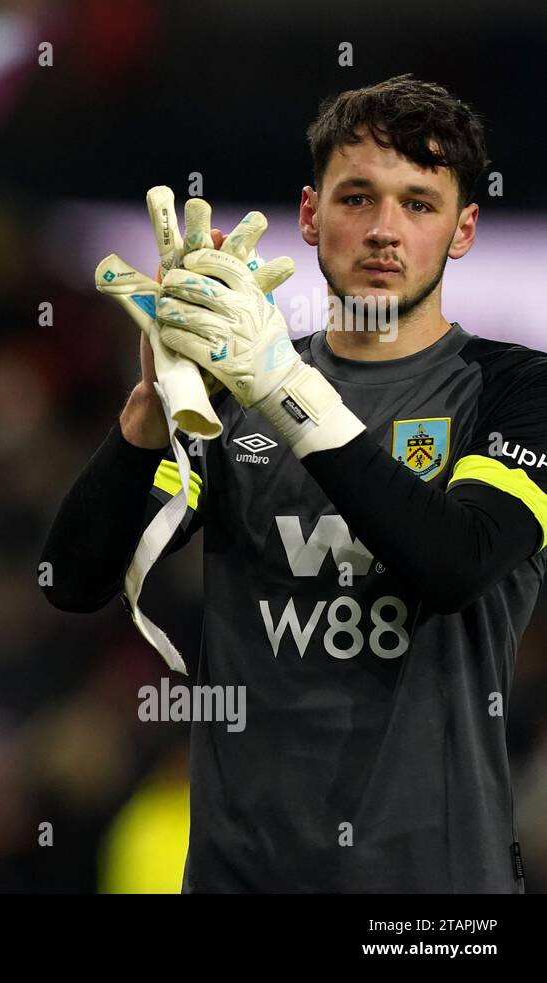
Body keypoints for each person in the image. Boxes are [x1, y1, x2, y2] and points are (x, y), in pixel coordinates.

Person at [42, 75, 546, 892]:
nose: (385, 230)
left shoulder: (516, 390)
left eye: (420, 204)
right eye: (358, 198)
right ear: (310, 215)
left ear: (464, 230)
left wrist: (281, 385)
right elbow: (71, 579)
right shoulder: (235, 389)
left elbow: (453, 563)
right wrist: (149, 408)